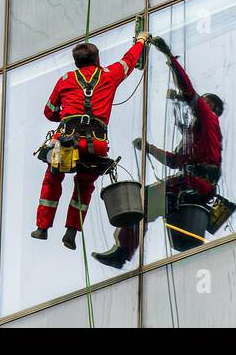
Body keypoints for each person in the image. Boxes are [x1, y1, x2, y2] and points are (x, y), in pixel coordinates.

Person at [93, 37, 225, 269]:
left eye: (204, 102)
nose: (197, 106)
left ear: (210, 106)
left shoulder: (208, 118)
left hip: (196, 184)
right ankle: (122, 252)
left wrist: (169, 57)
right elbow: (175, 161)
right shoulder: (198, 135)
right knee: (144, 203)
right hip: (194, 183)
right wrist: (149, 148)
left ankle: (122, 252)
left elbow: (188, 89)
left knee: (141, 202)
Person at [33, 30, 149, 250]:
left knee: (52, 179)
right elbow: (129, 61)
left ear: (76, 63)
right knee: (84, 186)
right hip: (94, 145)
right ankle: (71, 232)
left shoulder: (65, 80)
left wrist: (67, 114)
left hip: (67, 143)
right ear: (97, 60)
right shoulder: (109, 74)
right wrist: (141, 40)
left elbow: (49, 112)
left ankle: (42, 228)